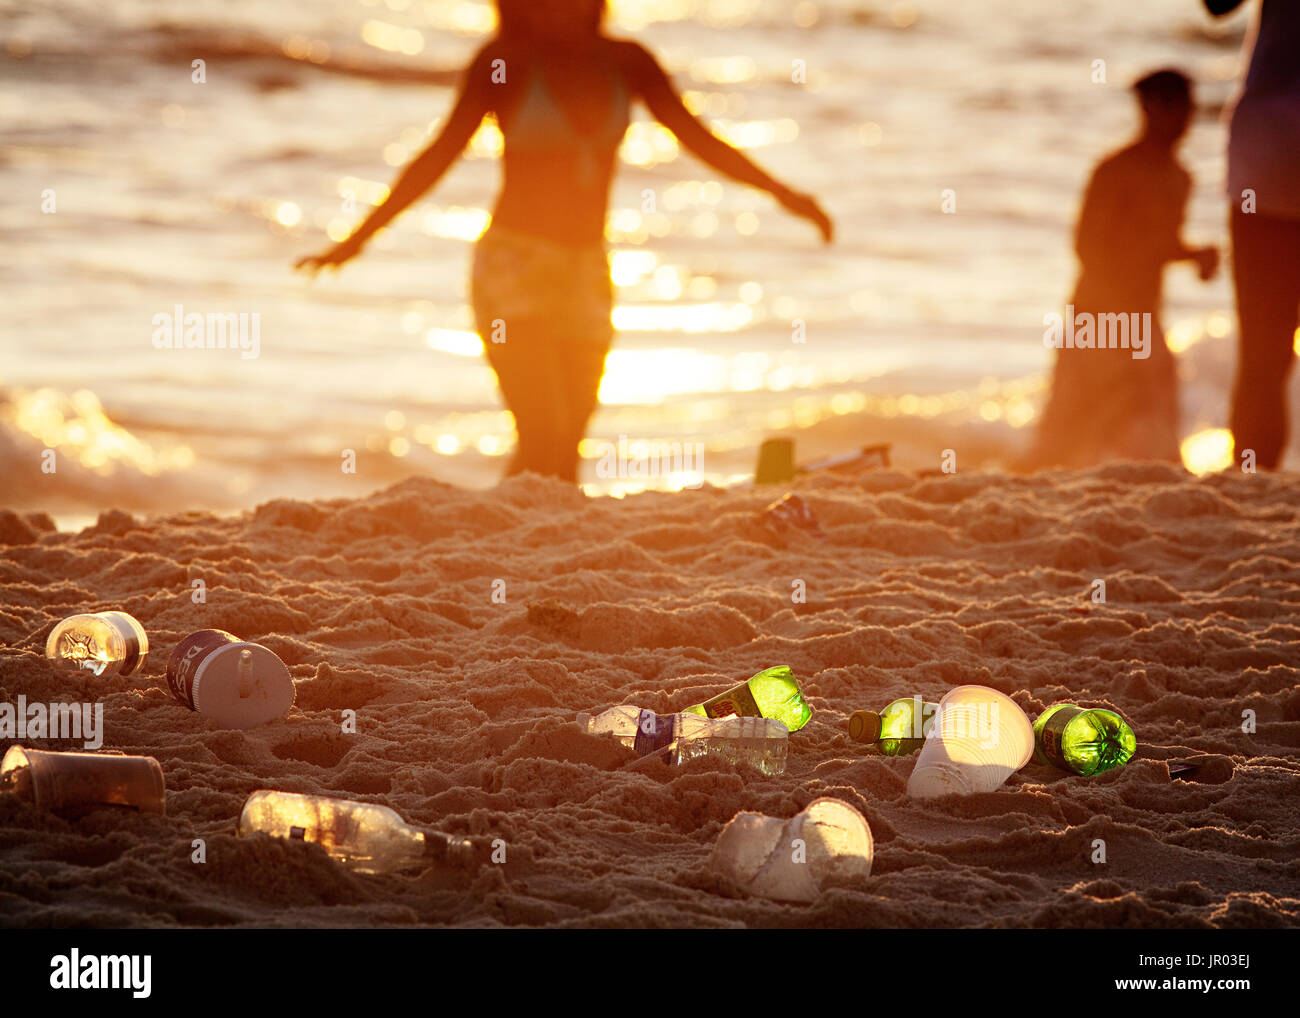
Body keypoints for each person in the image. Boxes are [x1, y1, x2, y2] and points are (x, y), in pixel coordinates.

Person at [297, 0, 832, 483]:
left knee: (566, 448)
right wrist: (358, 238)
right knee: (543, 432)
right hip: (513, 268)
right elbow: (439, 154)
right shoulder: (503, 63)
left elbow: (697, 136)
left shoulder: (629, 63)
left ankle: (529, 569)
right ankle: (509, 560)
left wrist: (783, 193)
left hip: (588, 270)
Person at [1028, 69, 1218, 468]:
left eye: (1187, 107)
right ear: (1147, 108)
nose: (1183, 118)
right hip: (1097, 314)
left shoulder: (1180, 177)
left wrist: (1194, 256)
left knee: (1154, 426)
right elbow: (1086, 246)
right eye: (1172, 106)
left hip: (1143, 316)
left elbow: (1160, 243)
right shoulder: (1114, 171)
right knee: (1067, 429)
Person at [1204, 0, 1300, 470]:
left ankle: (1255, 472)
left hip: (1264, 161)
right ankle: (1257, 471)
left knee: (1263, 347)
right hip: (1265, 161)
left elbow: (1217, 6)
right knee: (1265, 351)